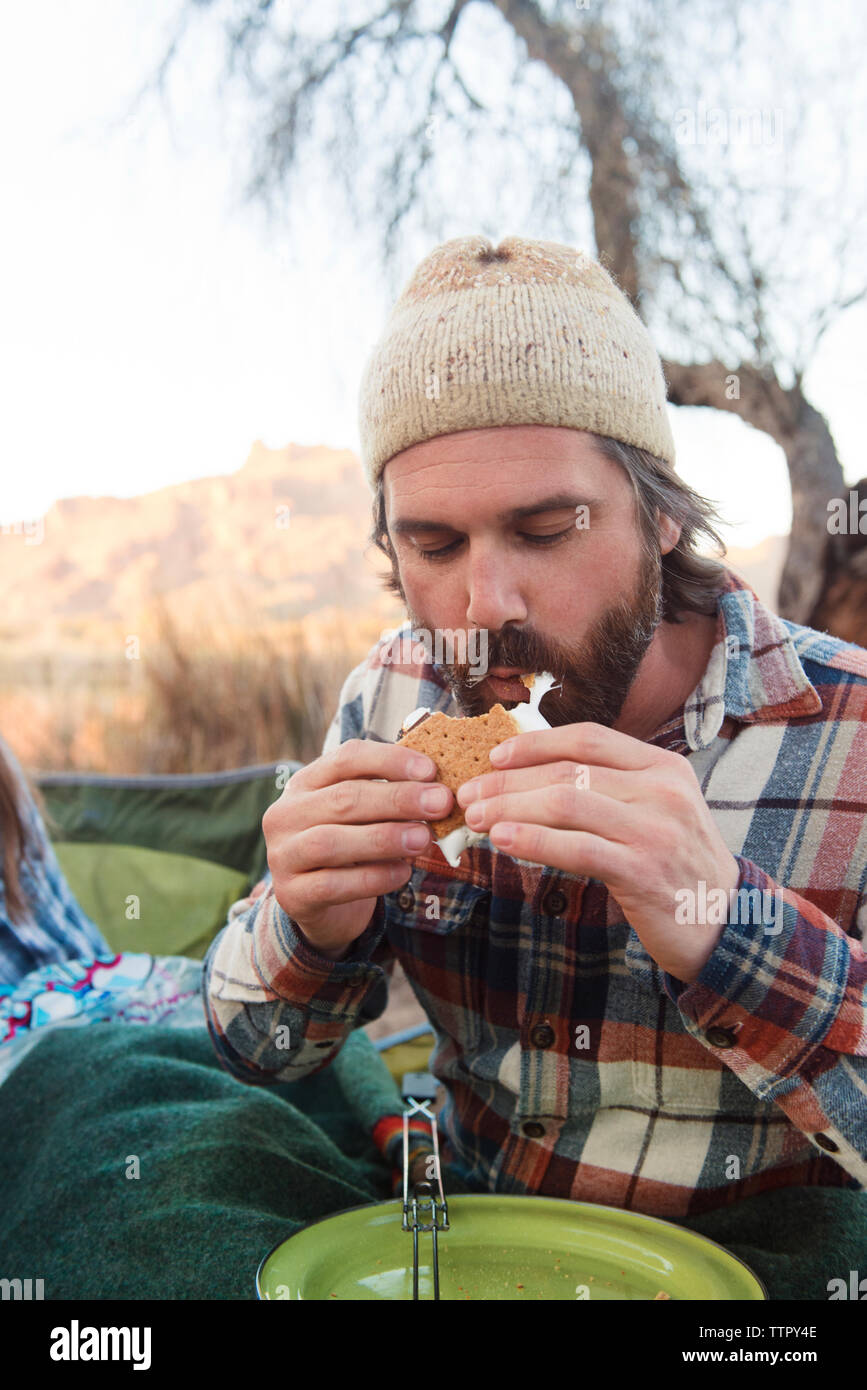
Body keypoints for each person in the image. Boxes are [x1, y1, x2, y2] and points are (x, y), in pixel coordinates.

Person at [204, 234, 867, 1226]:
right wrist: (306, 925)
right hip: (467, 1244)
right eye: (432, 543)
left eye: (548, 530)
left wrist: (732, 929)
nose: (483, 605)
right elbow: (261, 1049)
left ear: (662, 517)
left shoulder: (847, 726)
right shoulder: (392, 697)